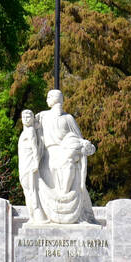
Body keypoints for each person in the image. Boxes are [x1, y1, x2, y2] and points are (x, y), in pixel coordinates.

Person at [35, 89, 97, 224]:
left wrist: (86, 147)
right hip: (48, 156)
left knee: (71, 170)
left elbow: (80, 140)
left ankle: (81, 212)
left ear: (55, 98)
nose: (46, 100)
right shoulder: (42, 116)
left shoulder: (68, 118)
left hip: (65, 154)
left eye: (48, 97)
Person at [18, 109, 48, 224]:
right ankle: (33, 216)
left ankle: (37, 216)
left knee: (31, 190)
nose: (26, 118)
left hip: (30, 164)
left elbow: (35, 148)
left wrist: (36, 162)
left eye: (29, 116)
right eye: (24, 116)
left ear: (33, 118)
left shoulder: (30, 131)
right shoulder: (25, 131)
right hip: (24, 163)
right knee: (28, 190)